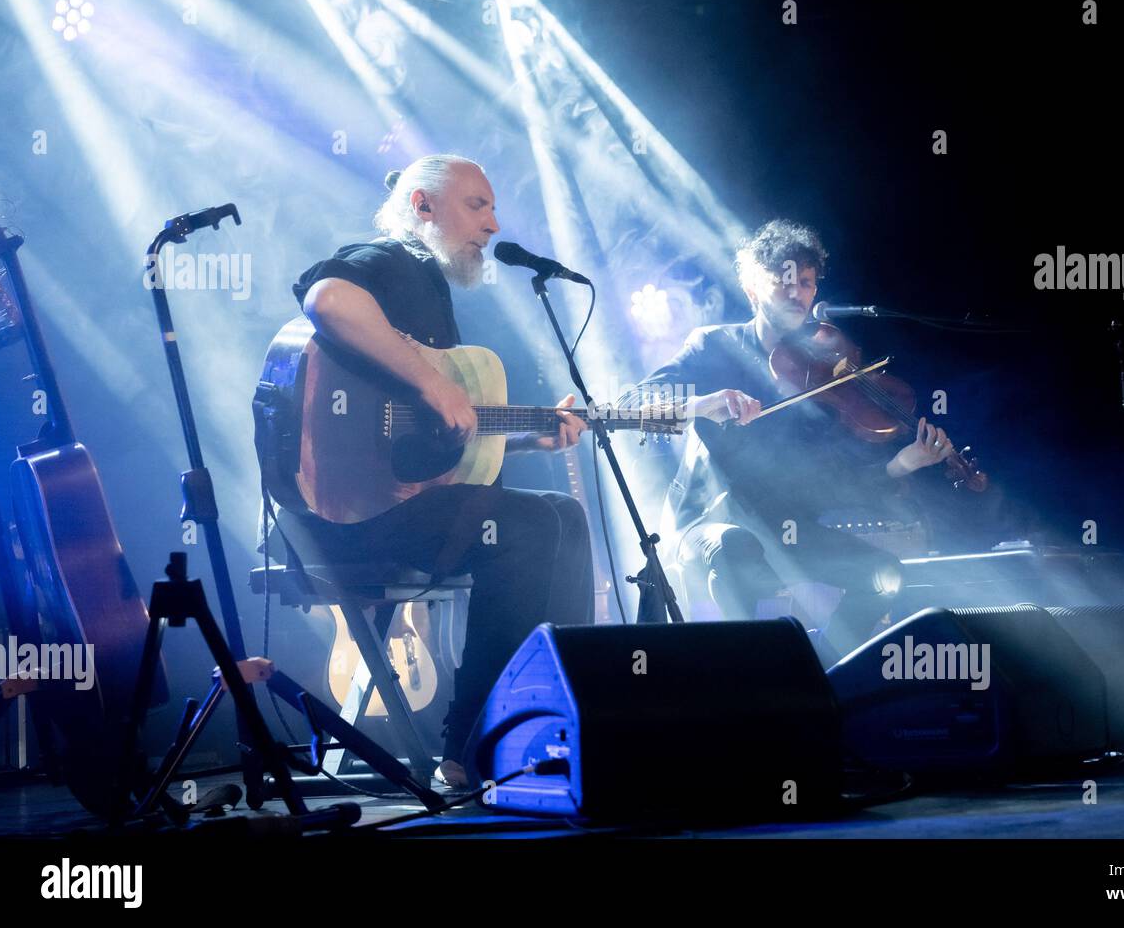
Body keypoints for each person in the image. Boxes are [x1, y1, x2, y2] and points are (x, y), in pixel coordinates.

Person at [274, 154, 592, 788]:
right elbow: (325, 299)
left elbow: (428, 442)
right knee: (529, 527)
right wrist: (429, 381)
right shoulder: (394, 260)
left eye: (494, 208)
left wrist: (527, 438)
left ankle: (551, 722)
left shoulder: (430, 287)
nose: (494, 224)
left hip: (397, 506)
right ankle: (474, 744)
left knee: (565, 515)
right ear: (422, 207)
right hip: (346, 518)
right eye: (478, 206)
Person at [632, 219, 957, 663]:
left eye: (805, 281)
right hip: (708, 520)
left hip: (782, 528)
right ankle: (747, 676)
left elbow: (833, 479)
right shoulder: (713, 345)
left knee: (883, 572)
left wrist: (902, 463)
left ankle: (820, 671)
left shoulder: (822, 371)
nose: (795, 292)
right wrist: (704, 403)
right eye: (782, 280)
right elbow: (635, 404)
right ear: (751, 289)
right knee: (735, 550)